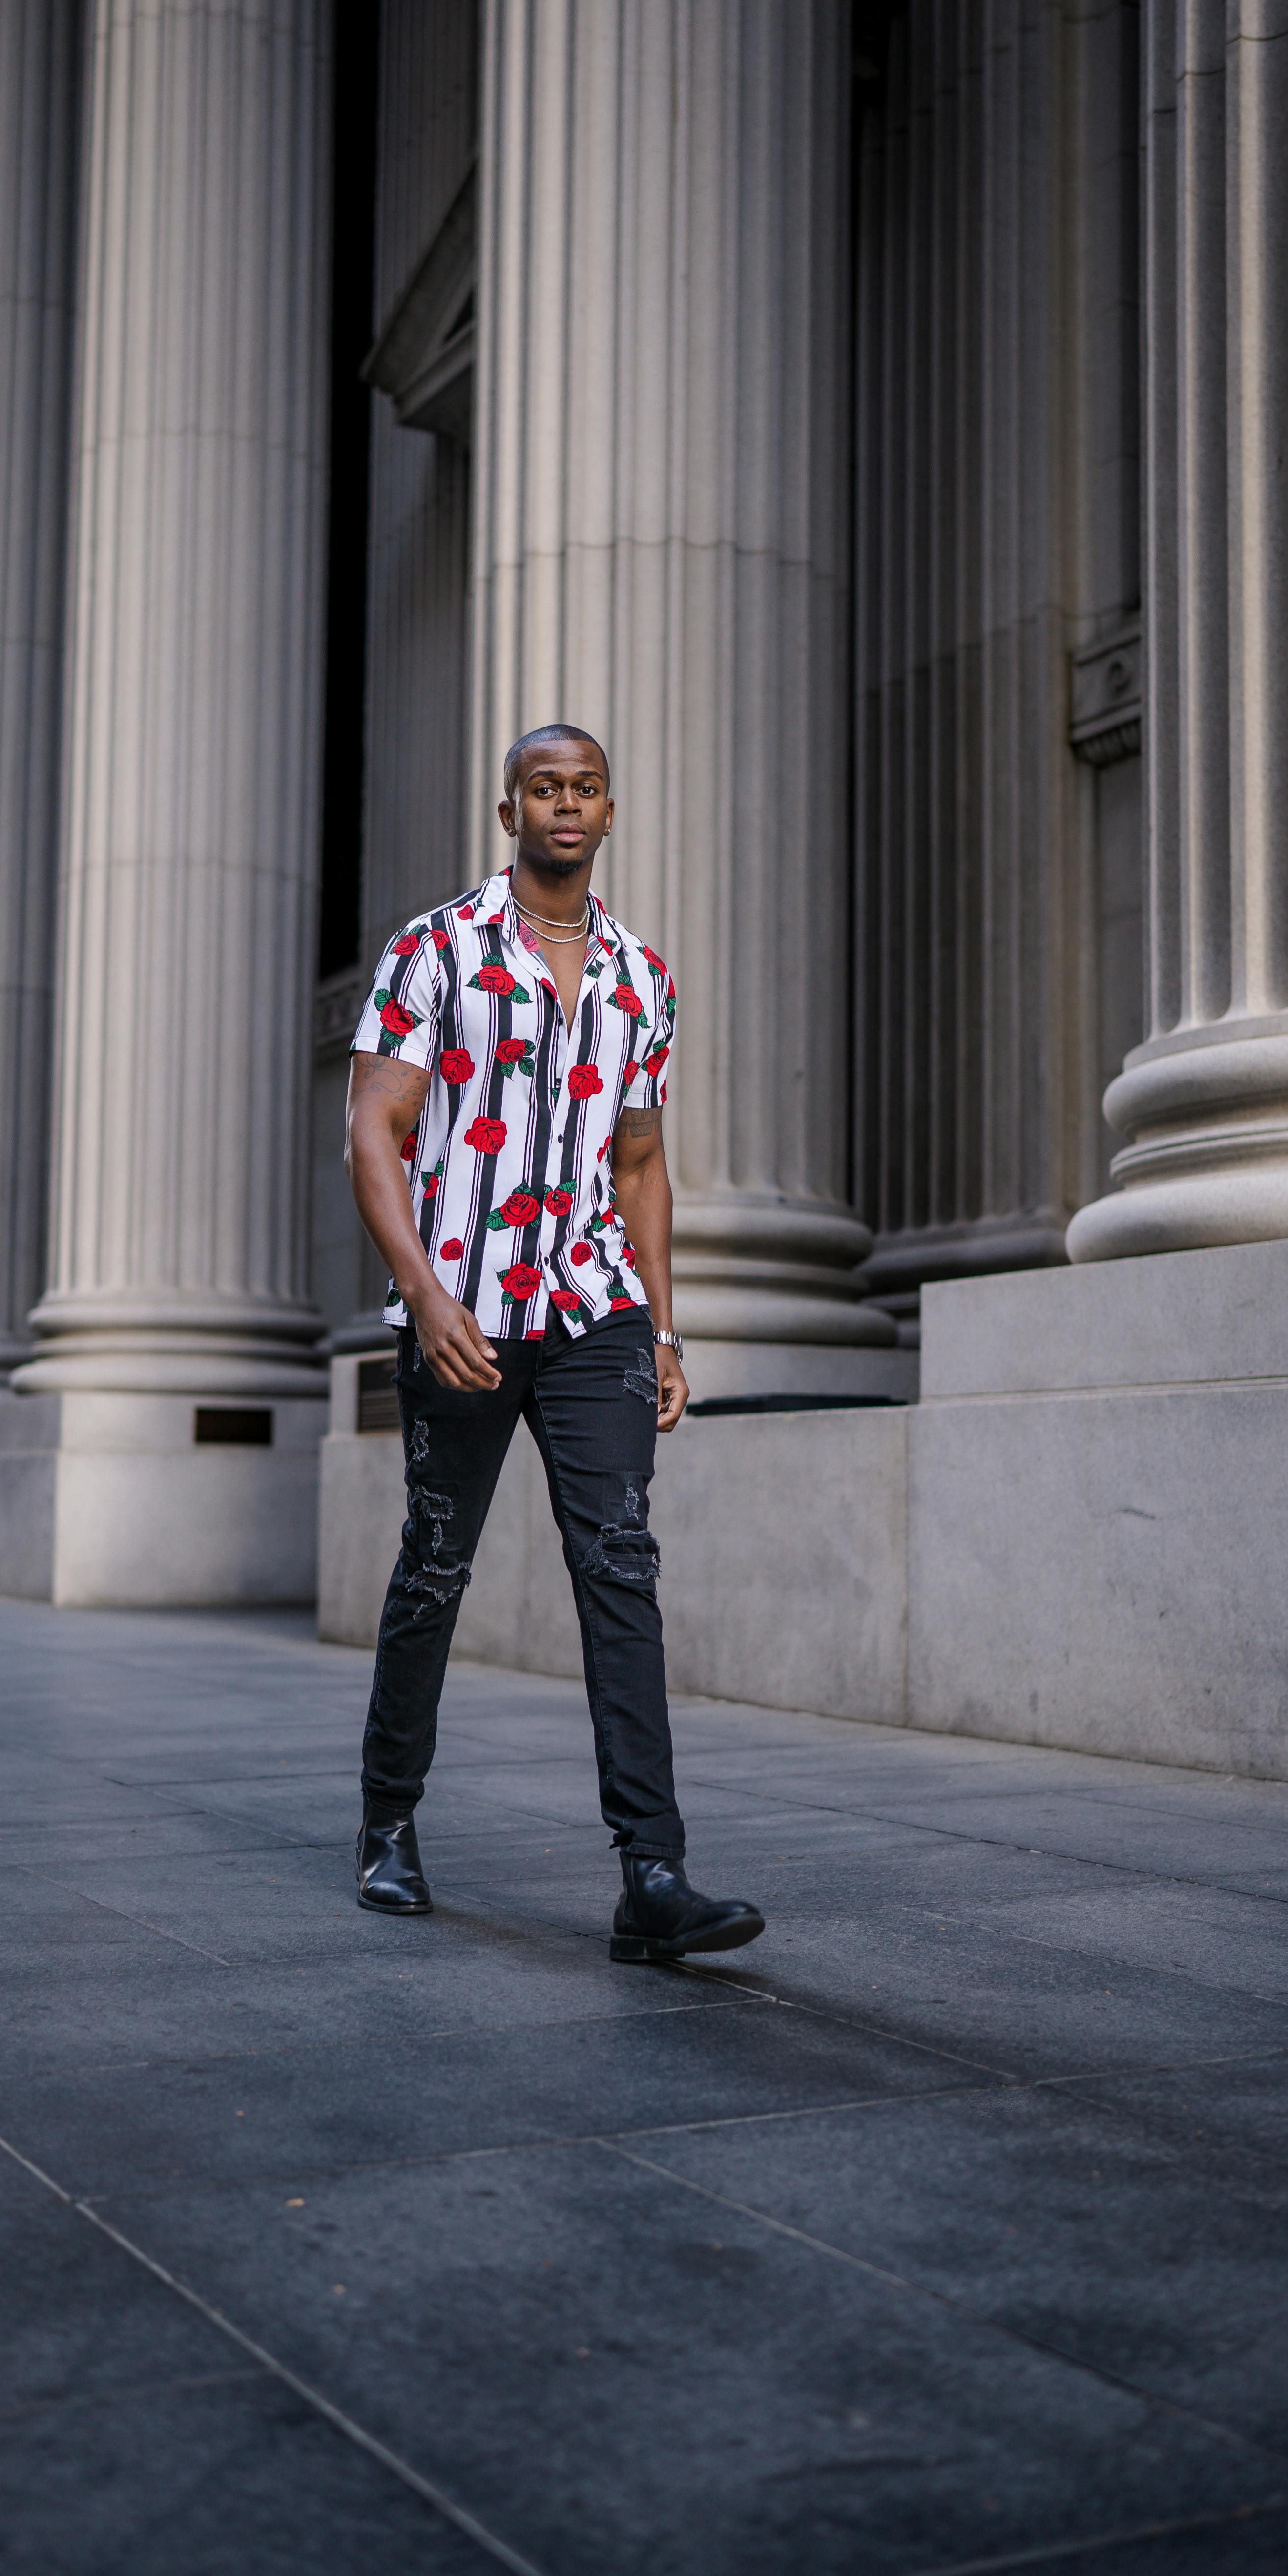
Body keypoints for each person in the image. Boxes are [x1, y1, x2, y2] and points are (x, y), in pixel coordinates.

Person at [343, 723, 765, 1966]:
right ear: (508, 808)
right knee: (433, 1567)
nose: (563, 807)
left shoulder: (642, 979)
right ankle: (386, 1824)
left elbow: (639, 1158)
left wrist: (665, 1323)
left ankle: (652, 1872)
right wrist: (421, 1295)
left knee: (620, 1565)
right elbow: (375, 1131)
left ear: (608, 812)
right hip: (465, 1311)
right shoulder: (435, 950)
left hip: (594, 1312)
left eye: (583, 790)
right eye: (543, 789)